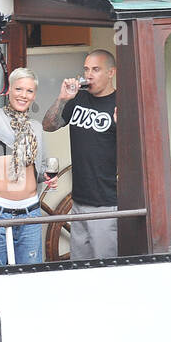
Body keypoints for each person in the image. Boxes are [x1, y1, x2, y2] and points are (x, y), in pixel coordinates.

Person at [0, 26, 52, 273]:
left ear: (34, 95)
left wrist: (48, 176)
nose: (23, 95)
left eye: (29, 91)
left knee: (31, 277)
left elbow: (40, 169)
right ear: (8, 89)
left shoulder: (36, 128)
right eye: (18, 89)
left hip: (31, 213)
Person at [42, 49, 117, 258]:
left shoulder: (121, 104)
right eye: (86, 69)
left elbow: (137, 150)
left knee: (106, 267)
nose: (89, 75)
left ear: (111, 73)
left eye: (96, 69)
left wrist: (124, 127)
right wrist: (63, 98)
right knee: (78, 267)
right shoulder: (77, 99)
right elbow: (48, 126)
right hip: (79, 201)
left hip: (107, 204)